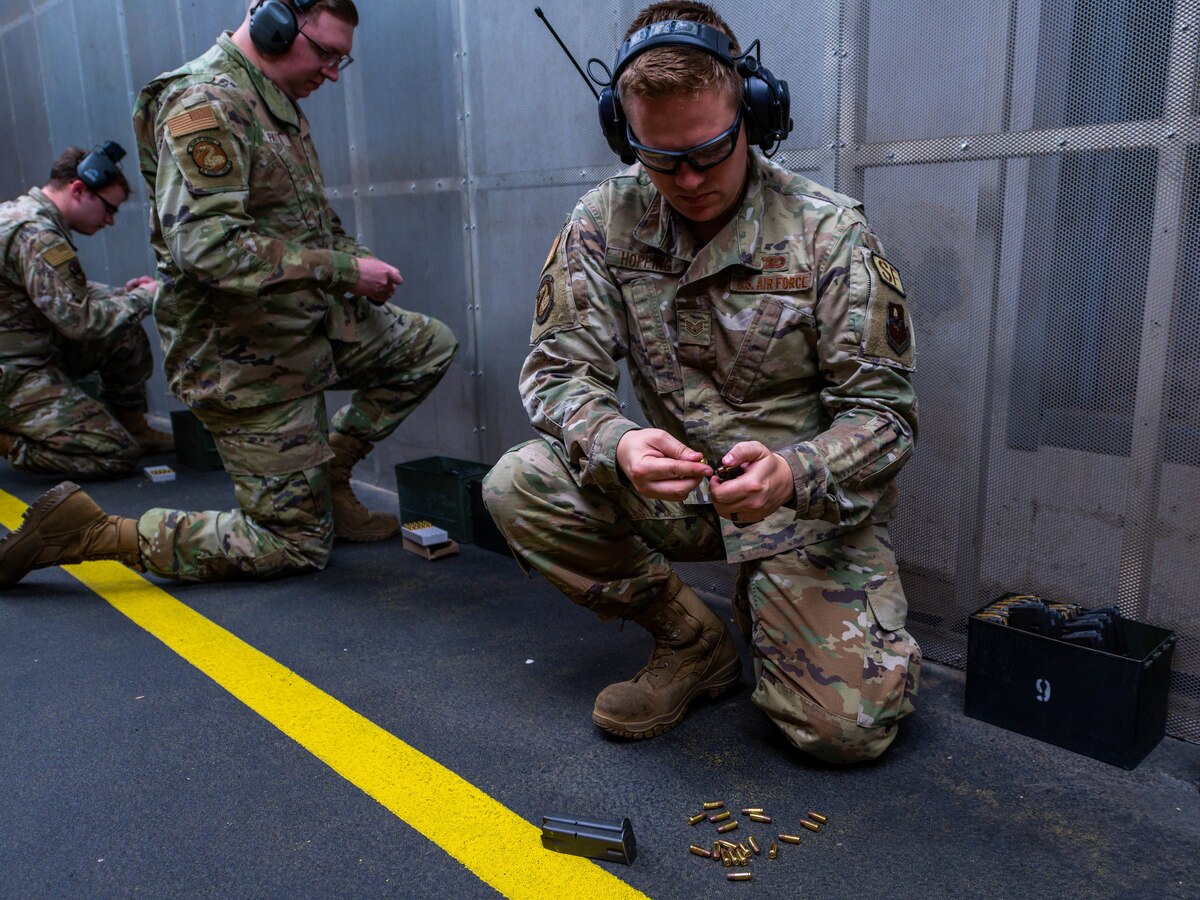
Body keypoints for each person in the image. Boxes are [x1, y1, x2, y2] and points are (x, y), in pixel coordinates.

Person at [484, 1, 921, 763]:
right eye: (659, 159)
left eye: (710, 151)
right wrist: (617, 443)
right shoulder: (603, 221)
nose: (687, 180)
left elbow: (885, 418)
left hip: (800, 508)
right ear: (626, 135)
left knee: (841, 735)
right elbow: (558, 374)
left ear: (754, 114)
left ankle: (779, 606)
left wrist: (795, 472)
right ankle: (690, 641)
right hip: (676, 491)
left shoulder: (827, 232)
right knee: (519, 482)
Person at [0, 0, 456, 586]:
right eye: (325, 54)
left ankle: (330, 475)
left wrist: (355, 258)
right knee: (292, 545)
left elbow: (307, 220)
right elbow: (206, 247)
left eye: (343, 60)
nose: (333, 73)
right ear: (272, 24)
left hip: (305, 324)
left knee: (428, 347)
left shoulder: (272, 101)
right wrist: (342, 271)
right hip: (245, 357)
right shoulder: (204, 104)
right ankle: (90, 531)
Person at [0, 145, 172, 478]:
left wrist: (122, 296)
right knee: (115, 454)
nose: (109, 220)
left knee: (123, 331)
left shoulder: (23, 216)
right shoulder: (38, 235)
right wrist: (142, 300)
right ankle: (10, 441)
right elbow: (79, 322)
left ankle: (132, 425)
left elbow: (55, 294)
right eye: (109, 209)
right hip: (13, 373)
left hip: (28, 351)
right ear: (78, 189)